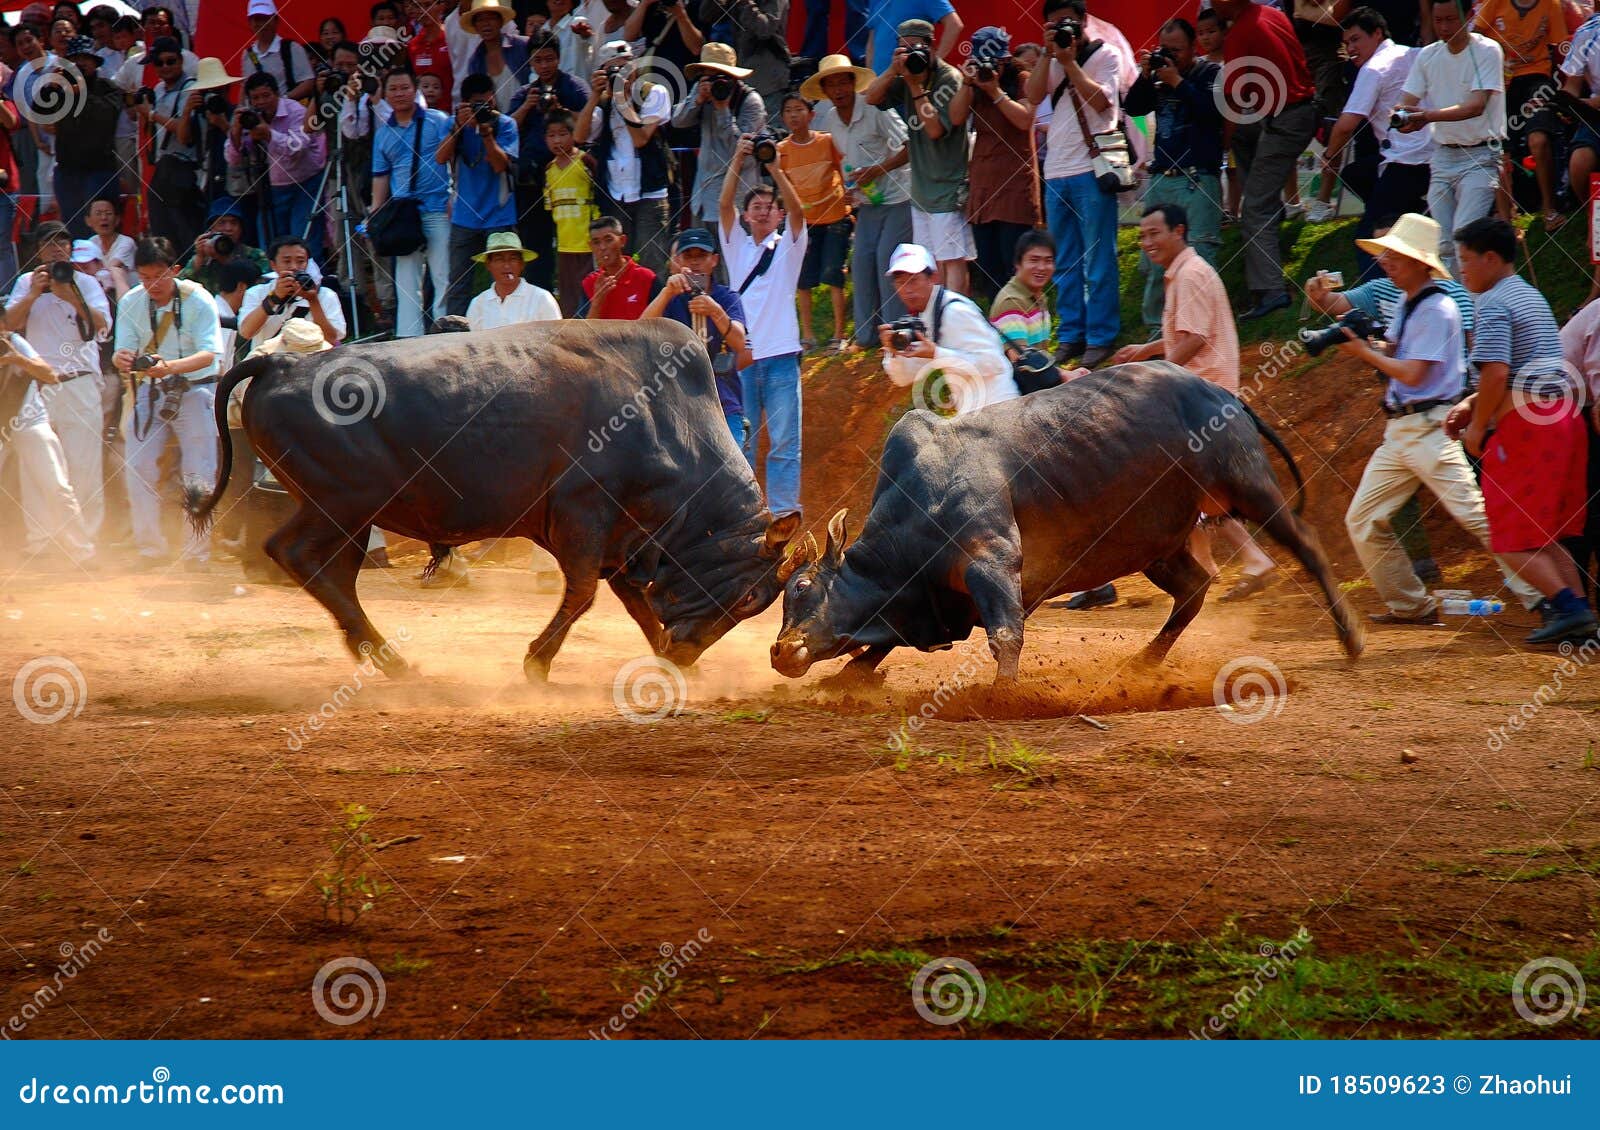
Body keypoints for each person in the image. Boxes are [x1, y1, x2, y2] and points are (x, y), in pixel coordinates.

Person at [1329, 214, 1541, 625]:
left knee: (1476, 515)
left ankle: (1542, 596)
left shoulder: (1437, 308)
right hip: (1404, 429)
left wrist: (1363, 353)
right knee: (1364, 519)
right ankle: (1410, 604)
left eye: (1397, 255)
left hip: (1429, 427)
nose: (1387, 260)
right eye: (1387, 253)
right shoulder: (1410, 303)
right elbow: (1399, 358)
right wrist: (1368, 344)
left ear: (1420, 262)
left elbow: (1412, 373)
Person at [1108, 203, 1281, 608]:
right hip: (1204, 399)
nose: (1147, 241)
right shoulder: (1184, 273)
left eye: (1155, 233)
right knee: (1192, 489)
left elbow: (1196, 341)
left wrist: (1150, 378)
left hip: (1203, 400)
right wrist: (1146, 350)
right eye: (1143, 235)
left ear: (1179, 231)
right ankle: (1211, 565)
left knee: (1191, 487)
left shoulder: (1191, 275)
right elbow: (1186, 335)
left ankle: (1245, 561)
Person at [1445, 217, 1596, 643]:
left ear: (1491, 259)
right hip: (1564, 421)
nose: (1462, 270)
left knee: (1508, 536)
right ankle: (1579, 619)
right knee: (1547, 535)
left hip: (1529, 429)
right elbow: (1525, 371)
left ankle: (1569, 610)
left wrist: (1476, 428)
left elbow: (1495, 373)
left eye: (1466, 260)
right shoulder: (1529, 295)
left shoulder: (1493, 302)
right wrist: (1472, 404)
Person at [112, 236, 221, 570]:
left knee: (199, 470)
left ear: (175, 270)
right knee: (138, 466)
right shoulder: (132, 300)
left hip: (195, 388)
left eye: (158, 276)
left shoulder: (197, 298)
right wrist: (123, 358)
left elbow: (210, 354)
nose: (151, 285)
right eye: (144, 277)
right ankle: (150, 549)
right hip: (151, 389)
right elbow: (120, 352)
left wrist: (170, 367)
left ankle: (197, 552)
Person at [1026, 0, 1121, 364]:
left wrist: (1069, 63)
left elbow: (1101, 102)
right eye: (1054, 24)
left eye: (1068, 22)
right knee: (1063, 262)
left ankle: (1100, 337)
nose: (1064, 29)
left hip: (1091, 169)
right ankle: (1071, 335)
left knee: (1098, 260)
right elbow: (1033, 97)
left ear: (1084, 21)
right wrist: (1050, 55)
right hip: (1056, 173)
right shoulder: (1051, 60)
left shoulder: (1105, 55)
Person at [1210, 0, 1317, 321]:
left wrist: (1222, 143)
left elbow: (1232, 102)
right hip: (1299, 110)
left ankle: (1272, 292)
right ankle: (1273, 207)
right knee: (1246, 135)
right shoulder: (1272, 14)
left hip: (1286, 120)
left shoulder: (1239, 34)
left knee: (1254, 207)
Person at [5, 219, 110, 544]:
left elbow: (103, 329)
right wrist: (35, 293)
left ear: (70, 247)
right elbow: (6, 327)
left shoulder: (86, 282)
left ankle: (86, 541)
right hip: (36, 386)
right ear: (38, 250)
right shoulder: (26, 282)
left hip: (79, 382)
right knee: (37, 468)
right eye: (49, 243)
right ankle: (42, 541)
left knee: (84, 466)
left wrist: (71, 296)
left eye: (62, 243)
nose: (56, 249)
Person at [719, 135, 808, 519]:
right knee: (743, 440)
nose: (762, 212)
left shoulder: (787, 247)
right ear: (746, 214)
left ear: (778, 216)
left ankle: (785, 512)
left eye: (769, 207)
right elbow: (723, 204)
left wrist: (776, 170)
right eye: (754, 206)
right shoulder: (737, 246)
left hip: (783, 357)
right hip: (744, 358)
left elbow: (800, 213)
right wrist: (738, 158)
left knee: (786, 441)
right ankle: (746, 512)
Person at [1123, 16, 1223, 331]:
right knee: (1156, 260)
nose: (1171, 56)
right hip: (1162, 179)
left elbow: (1213, 114)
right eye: (1165, 49)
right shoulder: (1157, 78)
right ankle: (1158, 333)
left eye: (1177, 50)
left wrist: (1178, 81)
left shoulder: (1211, 73)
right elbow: (1134, 108)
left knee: (1200, 257)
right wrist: (1146, 74)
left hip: (1198, 180)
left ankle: (1202, 330)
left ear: (1193, 47)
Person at [807, 52, 912, 350]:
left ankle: (897, 334)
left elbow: (909, 148)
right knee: (861, 262)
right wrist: (852, 188)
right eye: (832, 85)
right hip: (866, 202)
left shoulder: (876, 107)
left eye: (844, 83)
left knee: (886, 260)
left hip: (899, 196)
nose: (839, 90)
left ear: (853, 84)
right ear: (825, 91)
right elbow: (844, 160)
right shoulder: (830, 119)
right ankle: (866, 336)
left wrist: (878, 169)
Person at [1394, 0, 1506, 277]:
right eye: (1438, 20)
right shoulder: (1428, 55)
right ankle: (1456, 305)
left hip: (1482, 154)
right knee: (1441, 243)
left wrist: (1427, 116)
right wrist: (1401, 118)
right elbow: (1406, 102)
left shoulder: (1487, 50)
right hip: (1443, 155)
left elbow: (1476, 105)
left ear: (1468, 16)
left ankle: (1472, 304)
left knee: (1464, 236)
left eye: (1450, 20)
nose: (1444, 27)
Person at [1321, 9, 1432, 282]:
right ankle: (1399, 217)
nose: (1351, 49)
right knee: (1357, 173)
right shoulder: (1417, 54)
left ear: (1378, 33)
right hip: (1437, 158)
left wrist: (1329, 159)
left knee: (1367, 240)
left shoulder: (1374, 68)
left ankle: (1377, 305)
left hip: (1408, 162)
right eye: (1346, 43)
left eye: (1356, 40)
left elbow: (1346, 125)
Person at [866, 18, 974, 295]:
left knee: (952, 260)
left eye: (916, 48)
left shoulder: (949, 78)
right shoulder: (905, 76)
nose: (912, 54)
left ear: (932, 47)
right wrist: (893, 69)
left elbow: (935, 129)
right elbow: (871, 98)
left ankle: (955, 317)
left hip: (948, 186)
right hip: (921, 189)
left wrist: (915, 87)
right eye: (904, 49)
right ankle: (933, 320)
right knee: (929, 264)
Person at [952, 27, 1039, 305]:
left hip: (1015, 185)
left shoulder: (1022, 79)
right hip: (984, 188)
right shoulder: (973, 84)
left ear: (1006, 59)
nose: (992, 67)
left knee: (1013, 265)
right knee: (989, 269)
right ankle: (999, 330)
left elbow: (1025, 120)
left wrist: (996, 91)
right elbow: (954, 118)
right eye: (986, 61)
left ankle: (1024, 326)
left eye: (997, 62)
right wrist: (967, 84)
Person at [880, 242, 1017, 415]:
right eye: (900, 283)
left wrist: (936, 353)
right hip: (976, 420)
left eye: (913, 281)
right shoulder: (925, 318)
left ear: (933, 278)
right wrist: (894, 352)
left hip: (1001, 412)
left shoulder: (955, 311)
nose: (907, 290)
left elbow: (993, 363)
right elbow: (903, 378)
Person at [573, 41, 673, 281]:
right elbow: (578, 137)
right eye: (613, 70)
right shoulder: (603, 103)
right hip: (615, 193)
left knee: (652, 262)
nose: (621, 76)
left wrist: (623, 99)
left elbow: (641, 139)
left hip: (650, 193)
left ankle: (654, 315)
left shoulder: (654, 93)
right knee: (614, 262)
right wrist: (595, 95)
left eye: (625, 68)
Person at [640, 226, 749, 442]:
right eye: (688, 256)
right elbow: (640, 330)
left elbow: (740, 343)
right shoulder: (671, 299)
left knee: (731, 473)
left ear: (714, 260)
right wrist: (667, 292)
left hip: (724, 405)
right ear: (678, 261)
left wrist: (715, 311)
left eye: (702, 255)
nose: (695, 262)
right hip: (681, 407)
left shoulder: (727, 297)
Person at [0, 328, 97, 567]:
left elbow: (50, 375)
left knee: (57, 486)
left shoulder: (14, 342)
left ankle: (82, 551)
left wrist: (17, 359)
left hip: (29, 419)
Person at [371, 68, 454, 339]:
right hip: (403, 213)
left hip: (439, 207)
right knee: (407, 280)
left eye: (404, 87)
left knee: (444, 274)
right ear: (385, 94)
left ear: (414, 89)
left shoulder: (438, 120)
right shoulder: (383, 134)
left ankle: (446, 330)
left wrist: (456, 195)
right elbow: (380, 177)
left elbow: (454, 159)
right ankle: (409, 336)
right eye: (393, 89)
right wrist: (376, 214)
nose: (399, 93)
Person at [1473, 0, 1568, 227]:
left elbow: (1561, 47)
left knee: (1539, 140)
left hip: (1538, 79)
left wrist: (1561, 89)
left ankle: (1549, 210)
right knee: (1500, 152)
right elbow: (1474, 38)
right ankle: (1506, 221)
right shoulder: (1495, 3)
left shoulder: (1550, 5)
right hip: (1500, 81)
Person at [508, 33, 587, 292]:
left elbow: (591, 123)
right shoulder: (524, 93)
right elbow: (507, 130)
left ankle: (578, 303)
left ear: (559, 58)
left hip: (571, 181)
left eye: (549, 59)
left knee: (575, 247)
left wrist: (561, 108)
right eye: (538, 60)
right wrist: (527, 107)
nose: (544, 65)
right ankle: (539, 297)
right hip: (532, 182)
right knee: (535, 246)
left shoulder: (573, 87)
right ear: (530, 61)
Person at [437, 72, 518, 317]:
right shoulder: (451, 124)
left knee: (508, 277)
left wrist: (485, 132)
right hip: (464, 215)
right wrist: (459, 128)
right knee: (458, 284)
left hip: (500, 214)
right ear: (464, 104)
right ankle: (453, 332)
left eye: (486, 101)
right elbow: (440, 158)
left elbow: (500, 165)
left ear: (493, 99)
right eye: (476, 103)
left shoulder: (505, 124)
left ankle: (509, 323)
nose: (482, 107)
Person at [224, 72, 328, 259]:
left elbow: (298, 147)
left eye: (266, 96)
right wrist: (237, 131)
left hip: (305, 183)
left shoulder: (295, 111)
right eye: (255, 98)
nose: (261, 102)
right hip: (271, 188)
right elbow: (232, 159)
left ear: (277, 94)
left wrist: (269, 134)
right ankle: (274, 283)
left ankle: (308, 281)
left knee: (303, 239)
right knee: (270, 242)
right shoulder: (246, 116)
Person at [775, 93, 849, 352]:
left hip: (836, 216)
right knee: (803, 279)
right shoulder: (781, 151)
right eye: (788, 110)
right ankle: (807, 335)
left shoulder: (827, 141)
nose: (794, 115)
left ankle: (839, 335)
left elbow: (843, 170)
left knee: (833, 273)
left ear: (811, 114)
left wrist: (851, 198)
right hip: (804, 222)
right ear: (783, 117)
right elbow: (783, 188)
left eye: (798, 109)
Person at [672, 43, 766, 229]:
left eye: (719, 76)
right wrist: (697, 100)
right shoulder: (702, 90)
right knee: (701, 256)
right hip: (703, 198)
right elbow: (677, 122)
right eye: (708, 75)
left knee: (730, 258)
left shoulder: (750, 101)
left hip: (736, 201)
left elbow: (738, 152)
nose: (715, 83)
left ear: (732, 76)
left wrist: (723, 110)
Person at [41, 35, 121, 238]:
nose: (80, 63)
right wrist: (51, 86)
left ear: (95, 62)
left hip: (99, 169)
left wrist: (79, 91)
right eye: (74, 59)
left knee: (100, 227)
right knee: (72, 227)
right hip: (67, 170)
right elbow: (40, 111)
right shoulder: (60, 88)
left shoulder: (108, 88)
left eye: (86, 58)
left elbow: (105, 115)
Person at [138, 35, 207, 253]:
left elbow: (185, 136)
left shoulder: (192, 89)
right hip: (162, 171)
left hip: (185, 171)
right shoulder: (158, 90)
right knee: (163, 238)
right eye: (159, 62)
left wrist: (151, 114)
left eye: (171, 61)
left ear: (181, 61)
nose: (165, 67)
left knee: (186, 236)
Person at [238, 236, 347, 351]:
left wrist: (313, 300)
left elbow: (331, 339)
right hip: (267, 363)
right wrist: (274, 297)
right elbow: (246, 332)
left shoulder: (326, 295)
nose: (294, 267)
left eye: (300, 261)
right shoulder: (256, 293)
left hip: (312, 363)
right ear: (273, 265)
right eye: (287, 261)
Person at [541, 111, 597, 317]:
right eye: (551, 135)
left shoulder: (586, 162)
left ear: (573, 134)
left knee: (589, 290)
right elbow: (550, 205)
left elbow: (598, 196)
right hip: (564, 244)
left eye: (562, 134)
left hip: (588, 243)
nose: (557, 140)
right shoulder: (549, 169)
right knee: (568, 294)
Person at [697, 0, 790, 114]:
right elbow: (706, 15)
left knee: (768, 131)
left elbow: (764, 29)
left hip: (768, 82)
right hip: (736, 84)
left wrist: (745, 3)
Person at [988, 230, 1058, 370]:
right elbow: (1024, 363)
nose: (1042, 267)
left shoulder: (1037, 296)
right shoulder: (1011, 302)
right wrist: (1064, 375)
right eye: (1034, 260)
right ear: (1018, 263)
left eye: (1048, 261)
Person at [465, 230, 561, 329]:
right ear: (488, 265)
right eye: (499, 260)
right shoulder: (478, 304)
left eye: (513, 259)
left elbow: (557, 338)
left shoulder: (541, 299)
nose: (506, 266)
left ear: (522, 264)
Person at [580, 215, 657, 317]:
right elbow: (583, 331)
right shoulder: (589, 283)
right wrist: (597, 302)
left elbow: (662, 323)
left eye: (608, 240)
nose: (602, 247)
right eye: (596, 242)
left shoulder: (647, 278)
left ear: (622, 241)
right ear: (591, 246)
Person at [240, 0, 316, 102]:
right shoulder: (248, 54)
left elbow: (308, 82)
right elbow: (245, 88)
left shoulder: (292, 48)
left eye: (266, 18)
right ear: (250, 23)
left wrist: (282, 101)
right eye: (257, 19)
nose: (262, 24)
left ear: (276, 20)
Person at [863, 0, 962, 75]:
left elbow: (954, 25)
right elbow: (872, 41)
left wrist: (934, 64)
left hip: (911, 82)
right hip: (880, 87)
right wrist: (870, 80)